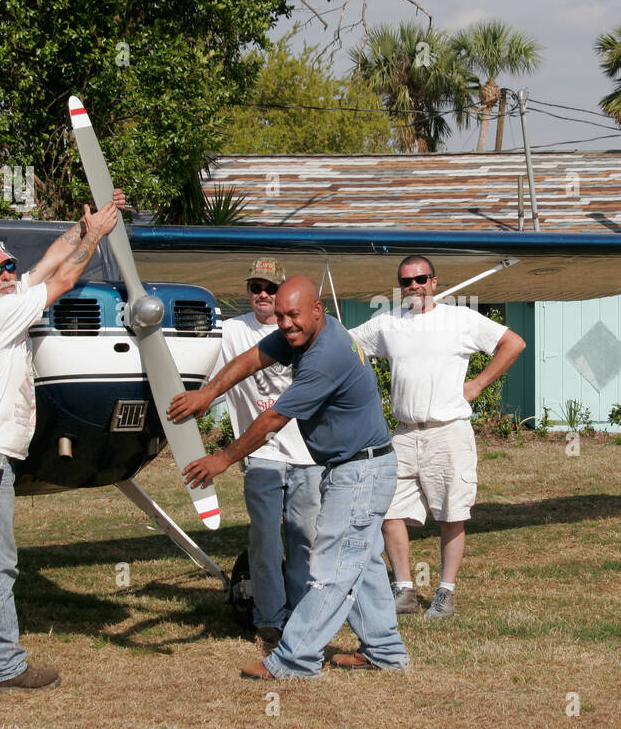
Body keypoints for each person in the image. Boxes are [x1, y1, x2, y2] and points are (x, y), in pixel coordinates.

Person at [0, 192, 123, 691]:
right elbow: (63, 279)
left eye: (10, 265)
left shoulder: (6, 303)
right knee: (0, 566)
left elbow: (50, 262)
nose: (10, 275)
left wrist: (84, 229)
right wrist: (98, 237)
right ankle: (7, 666)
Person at [167, 277, 407, 680]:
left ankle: (295, 659)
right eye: (279, 316)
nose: (285, 324)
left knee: (330, 567)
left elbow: (274, 419)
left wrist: (223, 458)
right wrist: (207, 395)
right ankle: (384, 650)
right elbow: (251, 358)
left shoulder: (325, 355)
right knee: (360, 561)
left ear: (316, 310)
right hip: (353, 466)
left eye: (293, 315)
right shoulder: (304, 333)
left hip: (361, 470)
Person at [350, 255, 526, 619]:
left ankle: (445, 592)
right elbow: (345, 347)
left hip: (449, 431)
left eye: (420, 279)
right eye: (406, 281)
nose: (413, 286)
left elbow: (513, 343)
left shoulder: (460, 319)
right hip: (403, 433)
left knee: (451, 513)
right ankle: (404, 589)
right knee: (388, 511)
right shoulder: (387, 324)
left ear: (434, 282)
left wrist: (477, 384)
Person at [211, 258, 321, 646]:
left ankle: (303, 612)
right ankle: (269, 618)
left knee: (304, 535)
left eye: (270, 288)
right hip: (261, 453)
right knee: (265, 539)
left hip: (307, 453)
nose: (262, 294)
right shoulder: (231, 330)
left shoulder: (303, 329)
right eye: (255, 287)